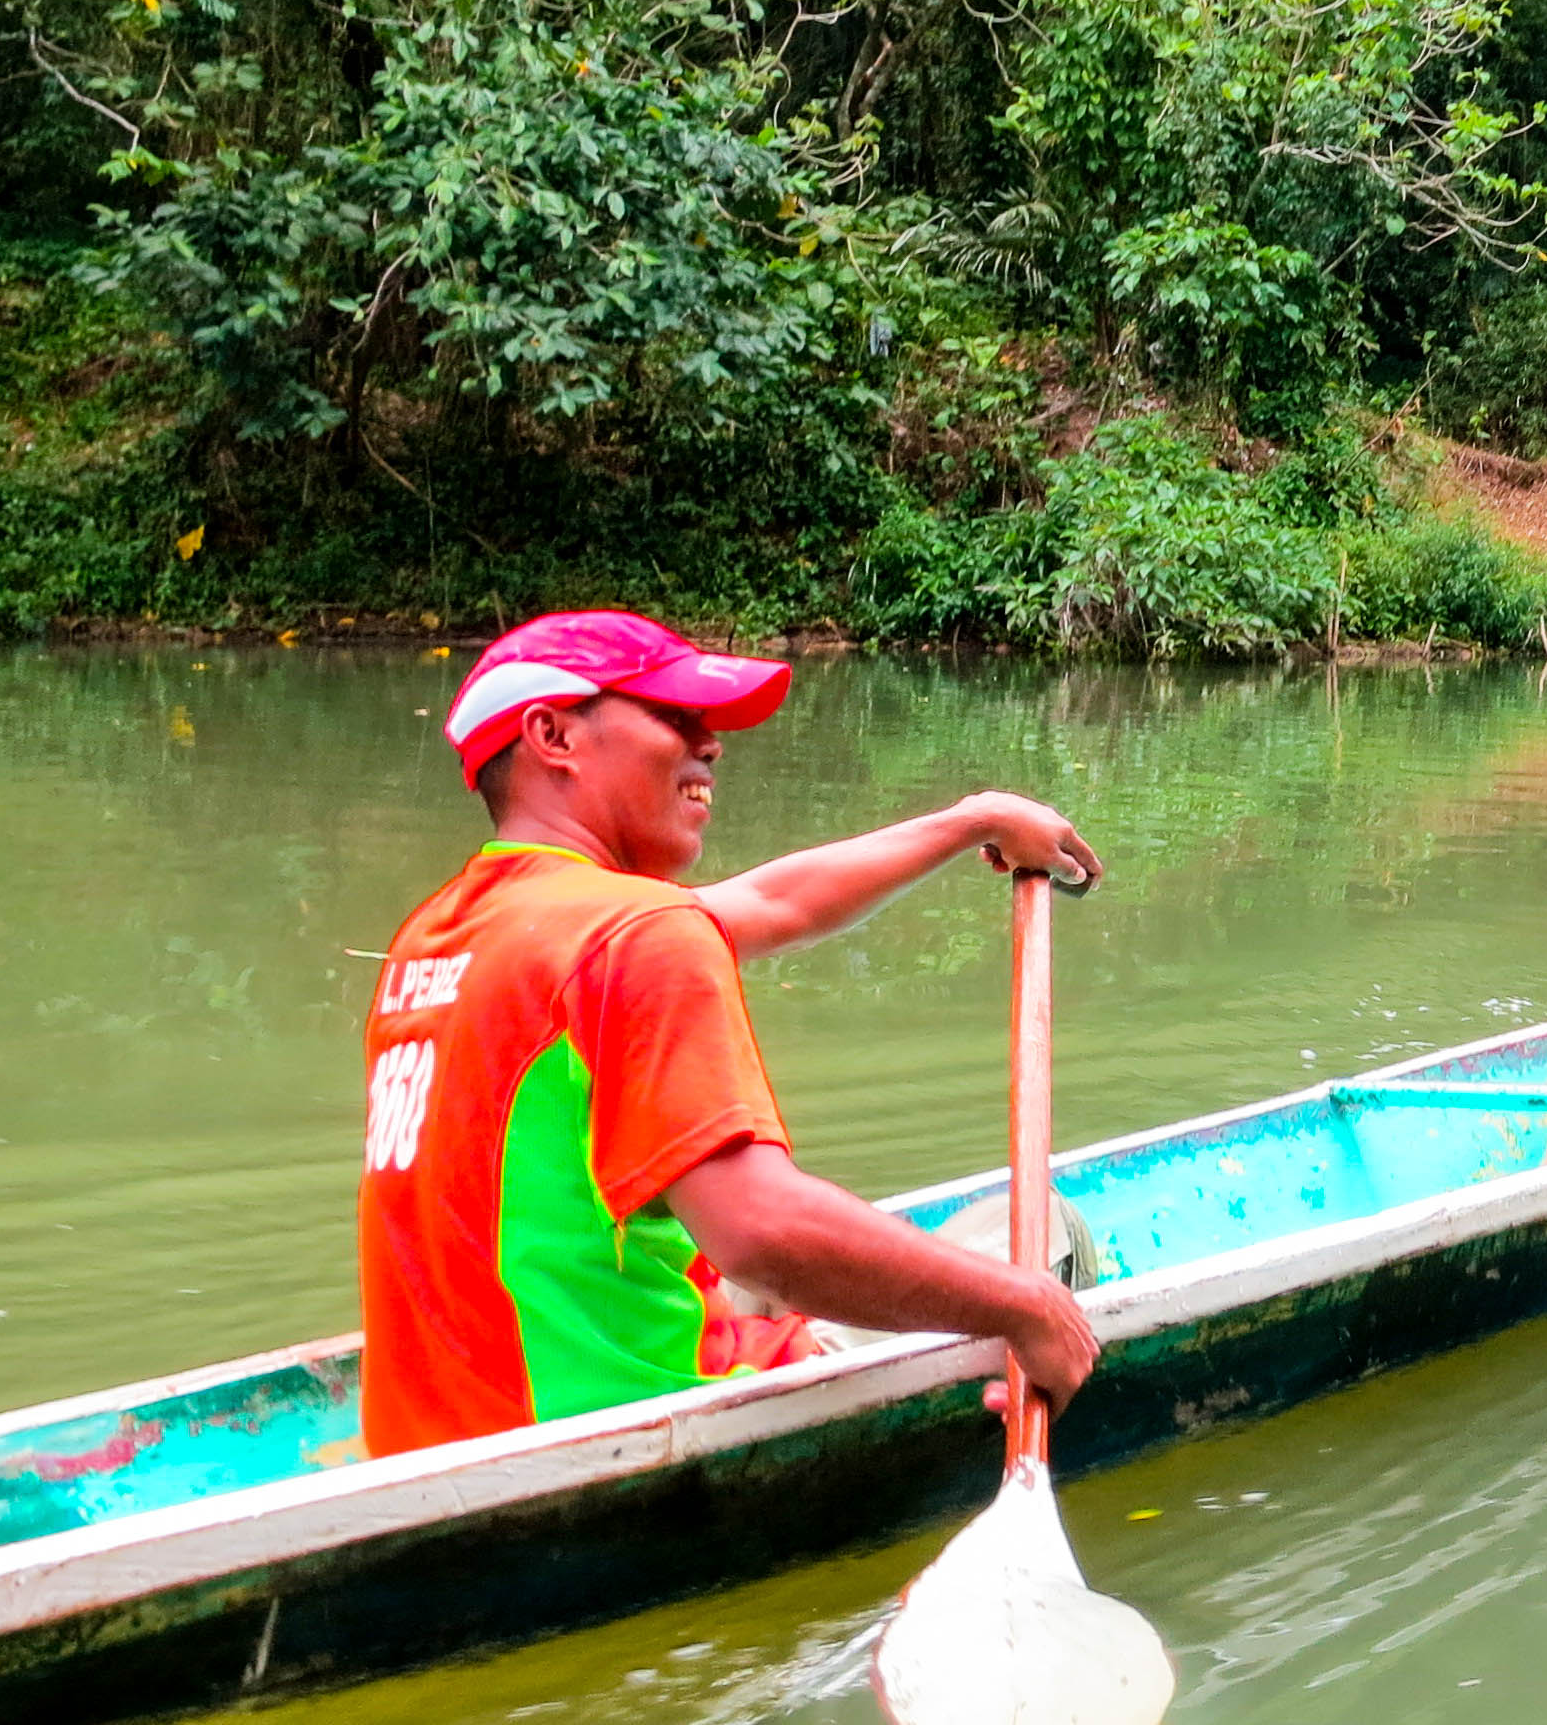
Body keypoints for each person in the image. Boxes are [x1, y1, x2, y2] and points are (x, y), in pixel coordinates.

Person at [358, 609, 1105, 1459]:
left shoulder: (441, 935)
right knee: (1041, 1228)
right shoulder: (633, 935)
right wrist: (1023, 1306)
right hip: (602, 1425)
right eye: (673, 716)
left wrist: (972, 821)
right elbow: (762, 1232)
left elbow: (776, 903)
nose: (709, 744)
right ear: (553, 735)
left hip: (436, 1429)